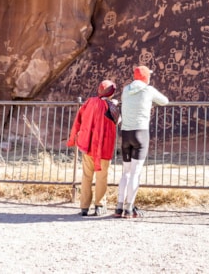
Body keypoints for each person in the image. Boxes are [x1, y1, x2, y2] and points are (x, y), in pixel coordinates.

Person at [114, 65, 169, 218]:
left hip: (125, 133)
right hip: (141, 133)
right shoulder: (149, 90)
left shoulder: (126, 89)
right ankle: (129, 208)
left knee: (125, 172)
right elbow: (165, 101)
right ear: (146, 77)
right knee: (135, 173)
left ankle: (119, 207)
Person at [67, 79, 120, 216]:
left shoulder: (89, 102)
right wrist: (115, 105)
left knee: (86, 176)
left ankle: (84, 207)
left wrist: (75, 137)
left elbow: (80, 118)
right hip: (103, 147)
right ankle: (99, 205)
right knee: (102, 177)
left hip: (88, 145)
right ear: (111, 93)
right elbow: (117, 120)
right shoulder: (110, 106)